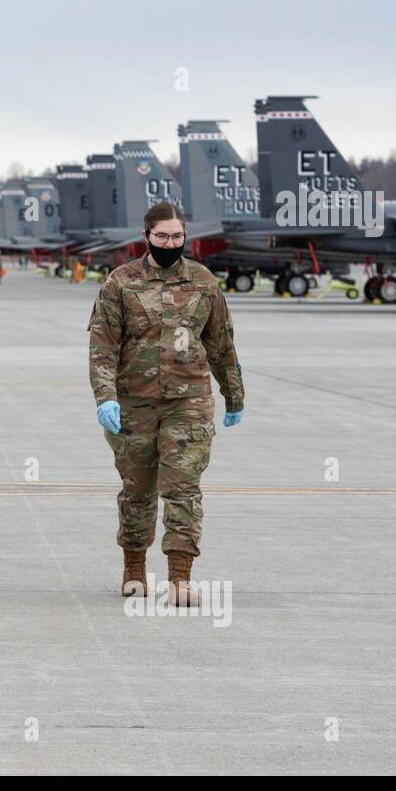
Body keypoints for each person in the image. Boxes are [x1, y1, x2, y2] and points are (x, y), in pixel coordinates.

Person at [88, 201, 245, 606]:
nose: (170, 243)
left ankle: (180, 577)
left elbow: (221, 343)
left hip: (188, 401)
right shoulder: (120, 282)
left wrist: (234, 396)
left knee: (183, 488)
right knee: (137, 490)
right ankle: (135, 569)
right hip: (133, 403)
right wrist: (106, 398)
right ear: (147, 237)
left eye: (176, 237)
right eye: (162, 237)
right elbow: (103, 346)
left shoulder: (203, 282)